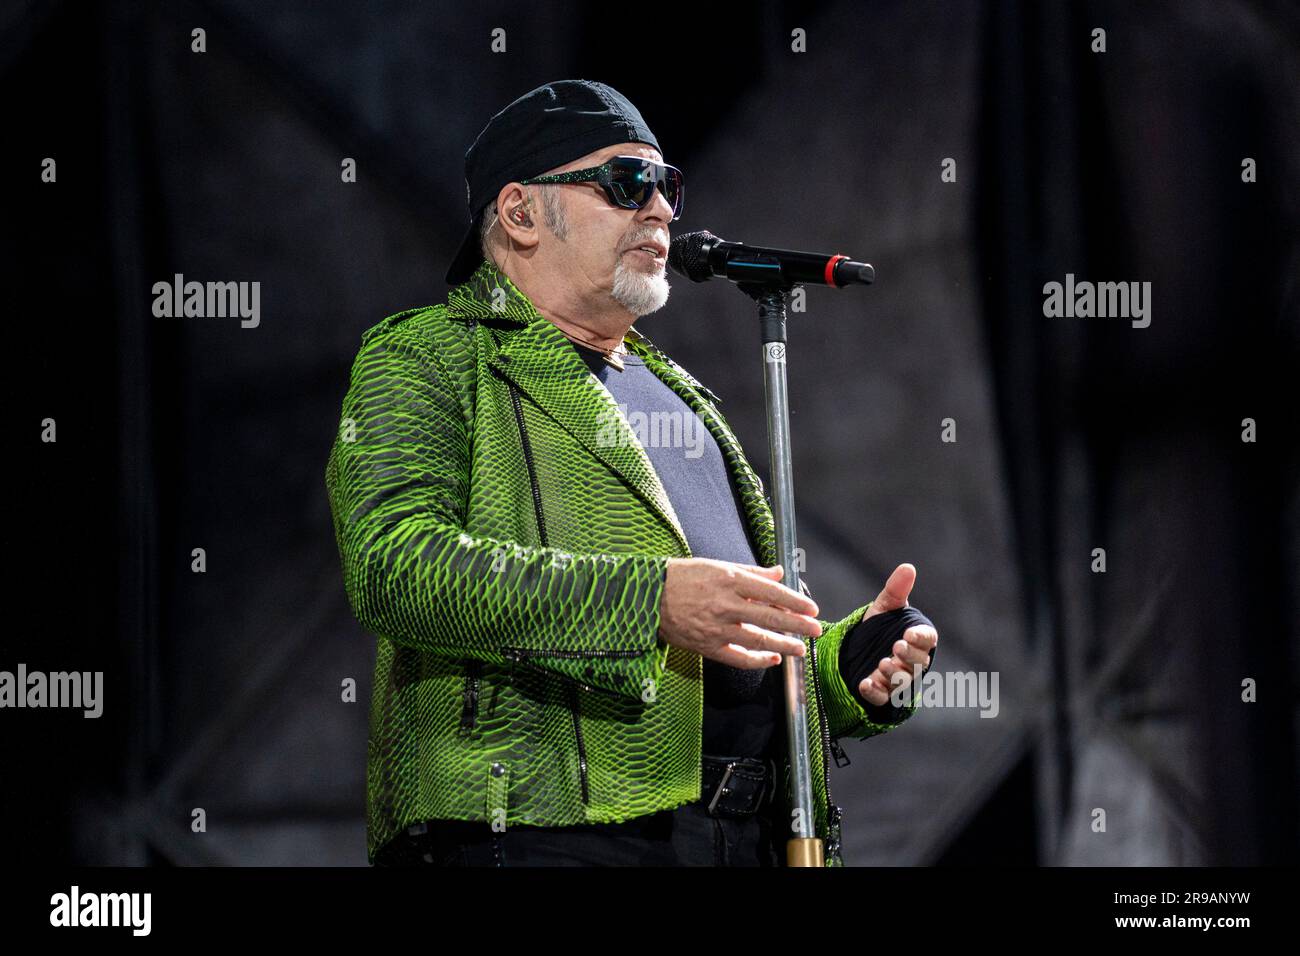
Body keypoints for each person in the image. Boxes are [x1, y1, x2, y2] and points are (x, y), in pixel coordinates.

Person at [324, 79, 938, 867]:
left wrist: (839, 671)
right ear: (519, 213)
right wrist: (648, 601)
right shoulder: (429, 355)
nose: (661, 211)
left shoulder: (682, 398)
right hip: (544, 837)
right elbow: (394, 564)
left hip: (742, 839)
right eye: (626, 183)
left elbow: (712, 656)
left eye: (668, 186)